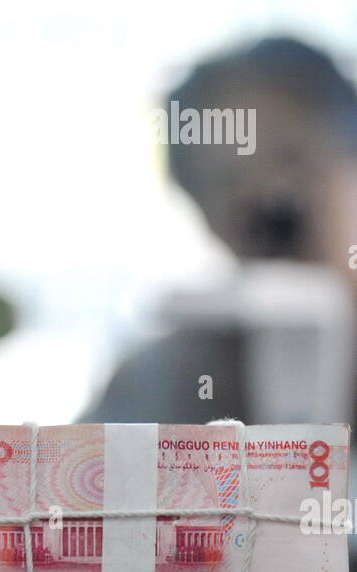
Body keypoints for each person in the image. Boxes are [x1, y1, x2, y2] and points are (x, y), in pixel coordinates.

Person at [81, 37, 357, 424]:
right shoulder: (166, 380)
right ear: (203, 214)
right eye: (230, 182)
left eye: (294, 159)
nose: (272, 200)